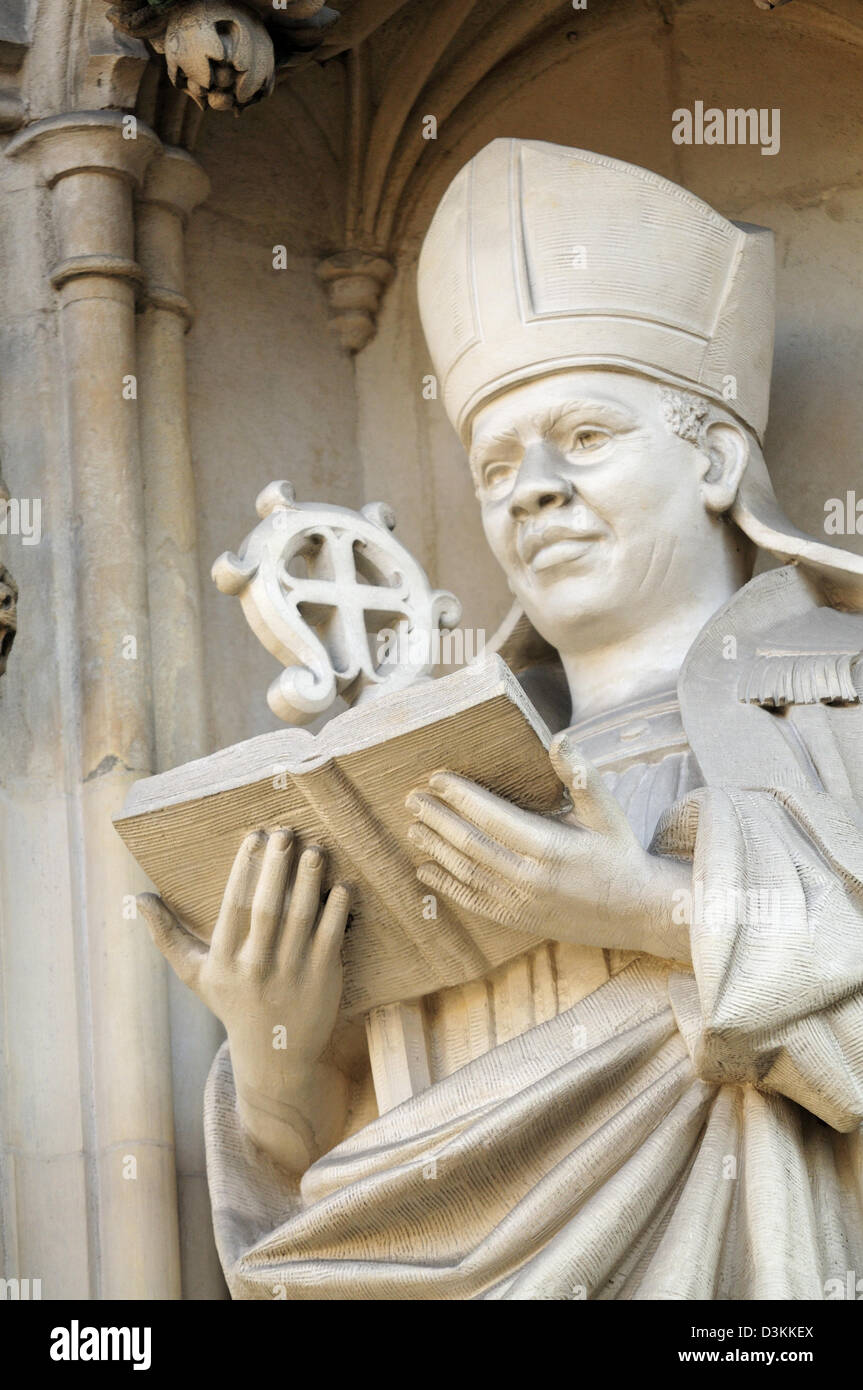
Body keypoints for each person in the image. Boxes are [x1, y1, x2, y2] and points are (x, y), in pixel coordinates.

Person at [140, 140, 863, 1299]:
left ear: (717, 459)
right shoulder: (450, 783)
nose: (528, 486)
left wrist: (647, 908)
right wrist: (278, 1046)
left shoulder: (842, 694)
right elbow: (346, 1175)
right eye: (491, 464)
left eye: (583, 437)